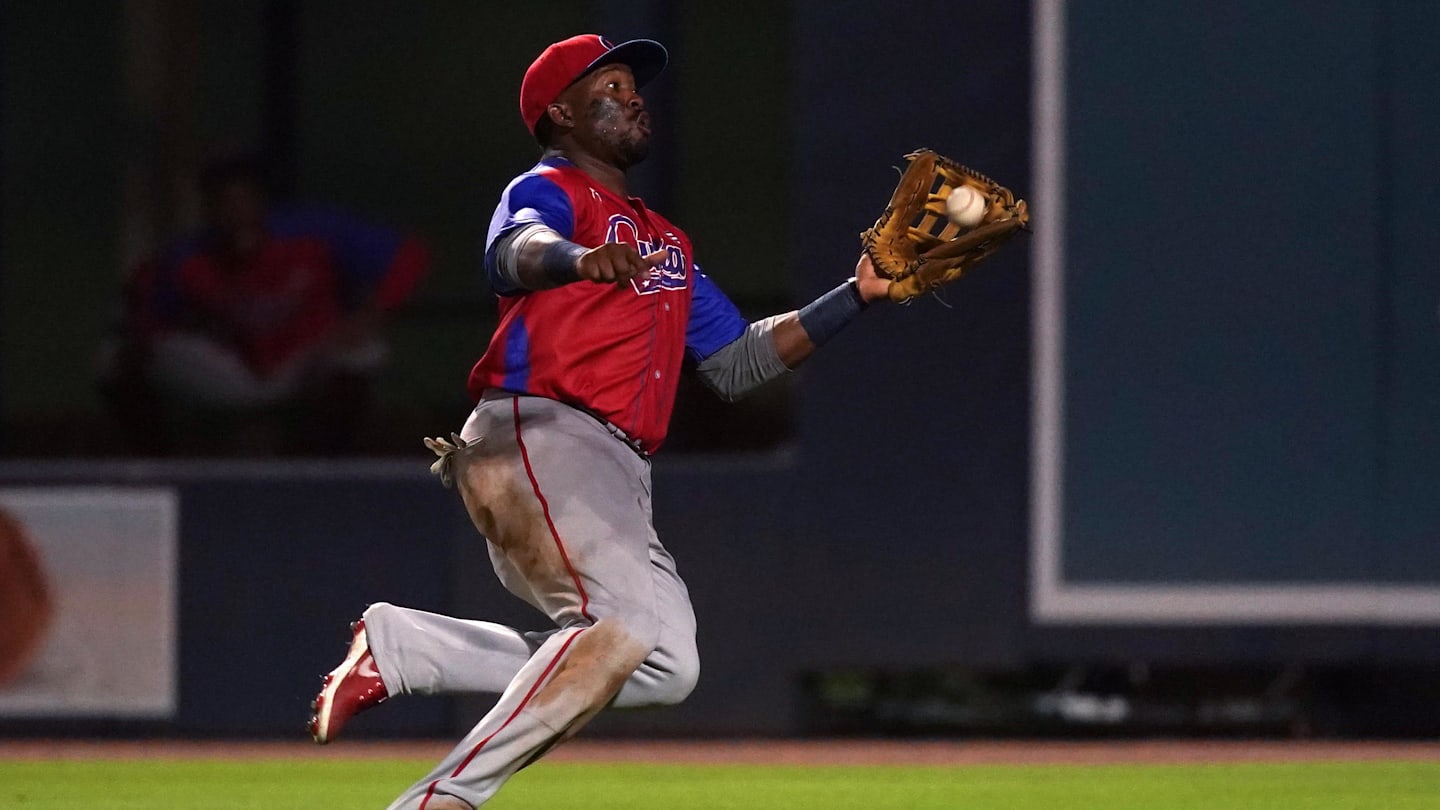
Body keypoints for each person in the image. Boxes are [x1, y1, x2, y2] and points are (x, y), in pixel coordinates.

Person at [306, 34, 892, 809]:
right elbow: (512, 251)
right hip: (543, 434)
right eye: (612, 86)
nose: (635, 95)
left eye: (633, 85)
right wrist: (578, 260)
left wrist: (856, 295)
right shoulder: (550, 189)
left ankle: (405, 648)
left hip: (614, 472)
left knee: (662, 664)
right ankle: (441, 800)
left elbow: (737, 361)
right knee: (620, 626)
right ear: (562, 113)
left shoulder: (667, 242)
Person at [98, 154, 430, 455]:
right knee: (117, 359)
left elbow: (408, 256)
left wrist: (366, 318)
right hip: (236, 369)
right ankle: (164, 465)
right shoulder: (189, 258)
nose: (236, 212)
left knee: (363, 352)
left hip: (307, 359)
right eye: (224, 203)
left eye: (245, 200)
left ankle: (324, 462)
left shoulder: (311, 233)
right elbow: (144, 311)